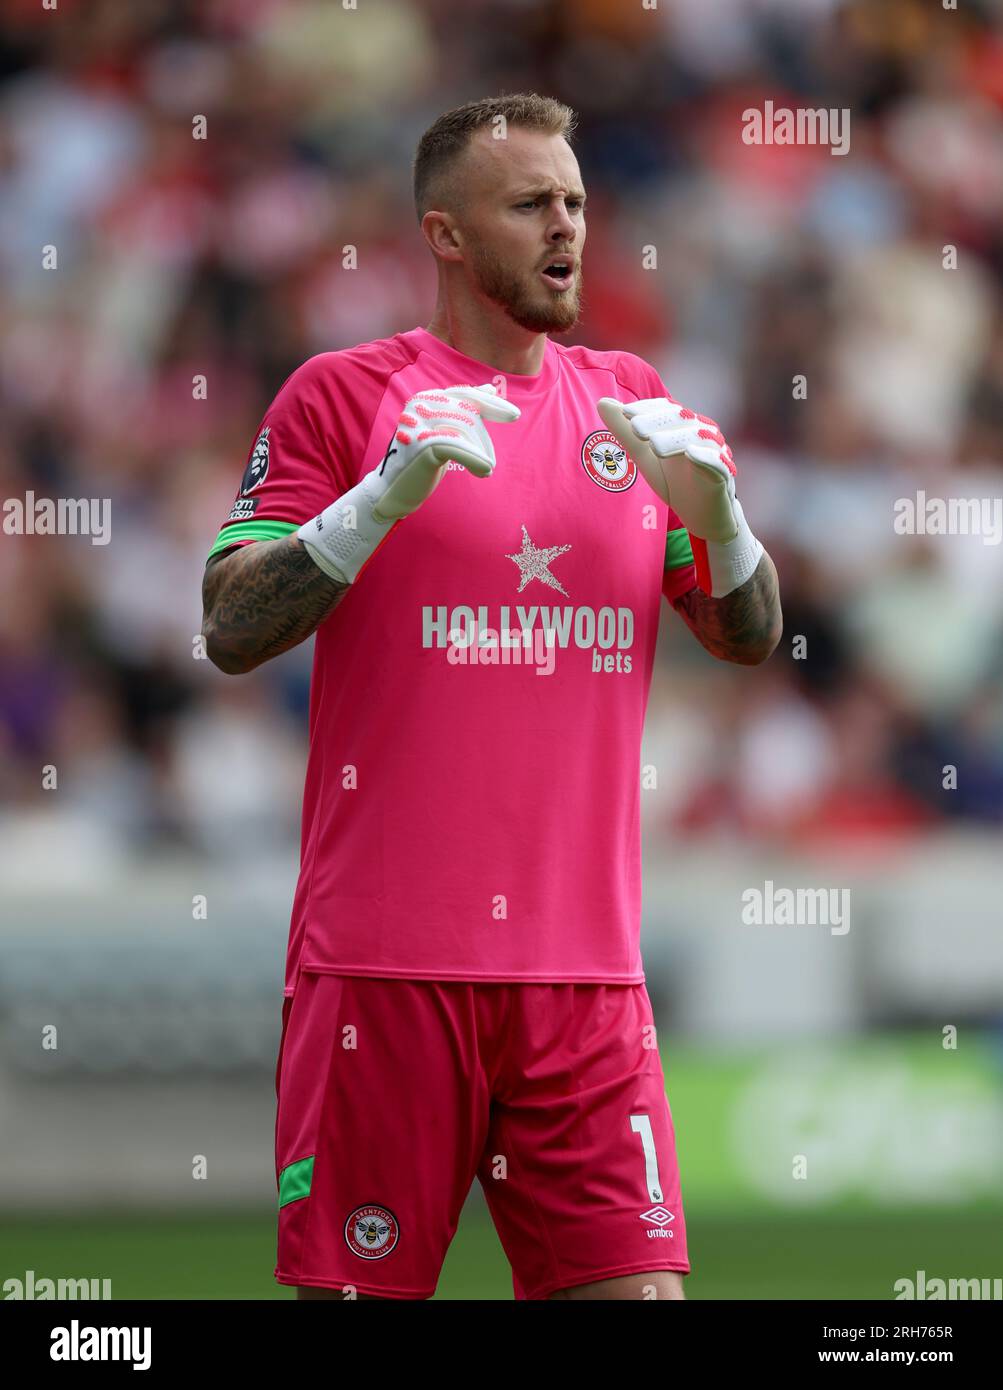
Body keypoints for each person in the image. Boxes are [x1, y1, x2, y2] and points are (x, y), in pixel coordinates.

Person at [201, 93, 782, 1302]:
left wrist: (721, 523)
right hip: (384, 971)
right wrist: (374, 503)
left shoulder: (627, 398)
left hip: (585, 982)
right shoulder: (344, 397)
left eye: (574, 200)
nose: (566, 224)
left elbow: (748, 638)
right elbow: (228, 623)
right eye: (530, 204)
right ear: (447, 235)